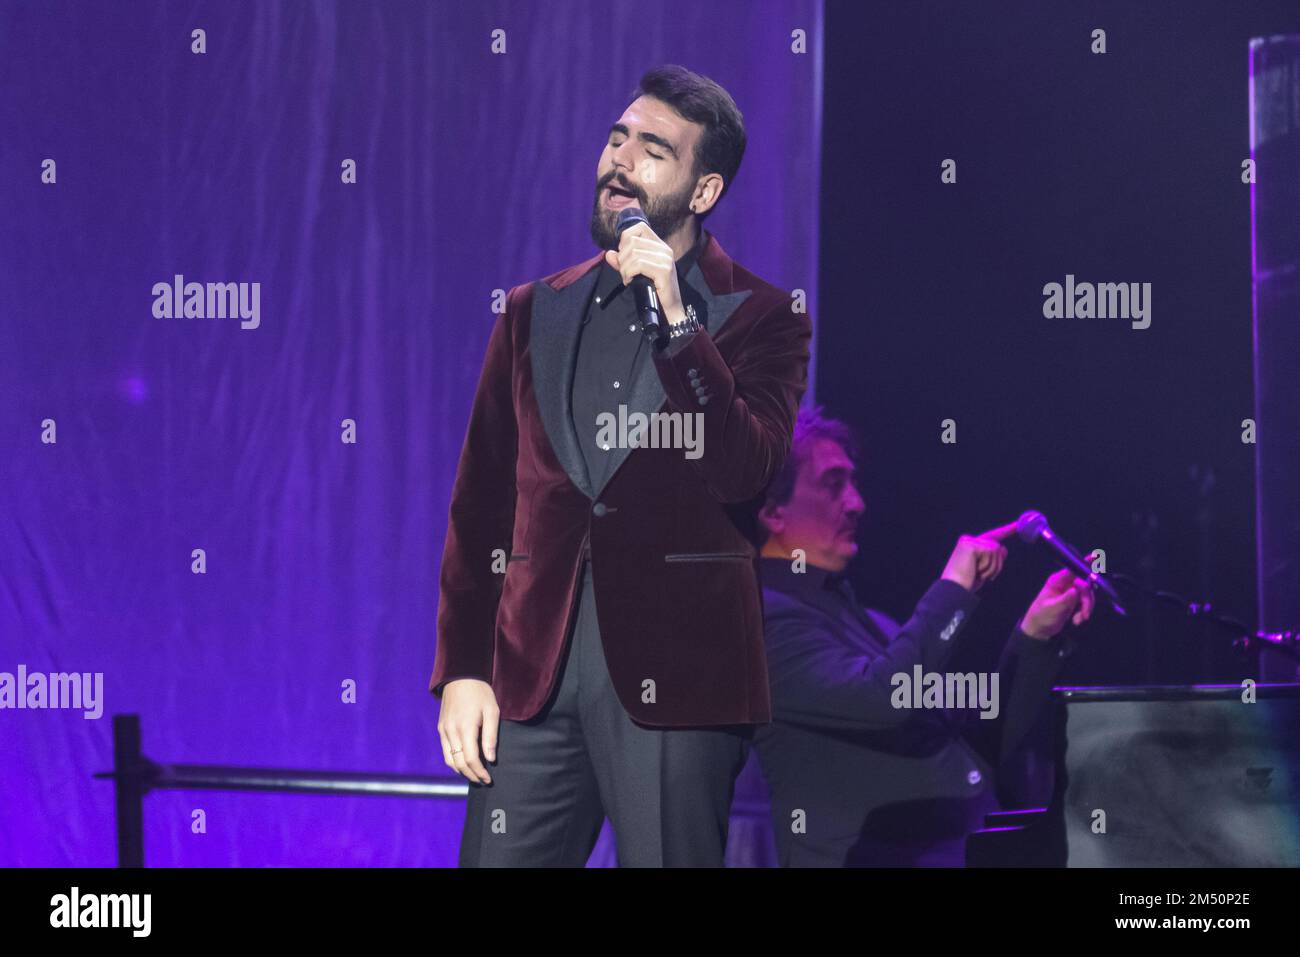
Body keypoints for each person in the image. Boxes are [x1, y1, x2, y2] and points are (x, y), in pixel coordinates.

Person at [429, 65, 812, 866]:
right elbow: (481, 505)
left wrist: (677, 321)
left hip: (680, 685)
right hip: (532, 681)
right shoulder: (534, 310)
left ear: (703, 192)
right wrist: (464, 669)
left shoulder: (764, 319)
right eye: (616, 138)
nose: (620, 160)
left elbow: (744, 470)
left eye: (652, 150)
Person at [751, 407, 1094, 866]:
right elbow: (882, 700)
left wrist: (1034, 637)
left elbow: (971, 751)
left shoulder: (870, 624)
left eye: (853, 483)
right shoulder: (761, 624)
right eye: (834, 485)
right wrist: (954, 587)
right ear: (773, 512)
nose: (856, 503)